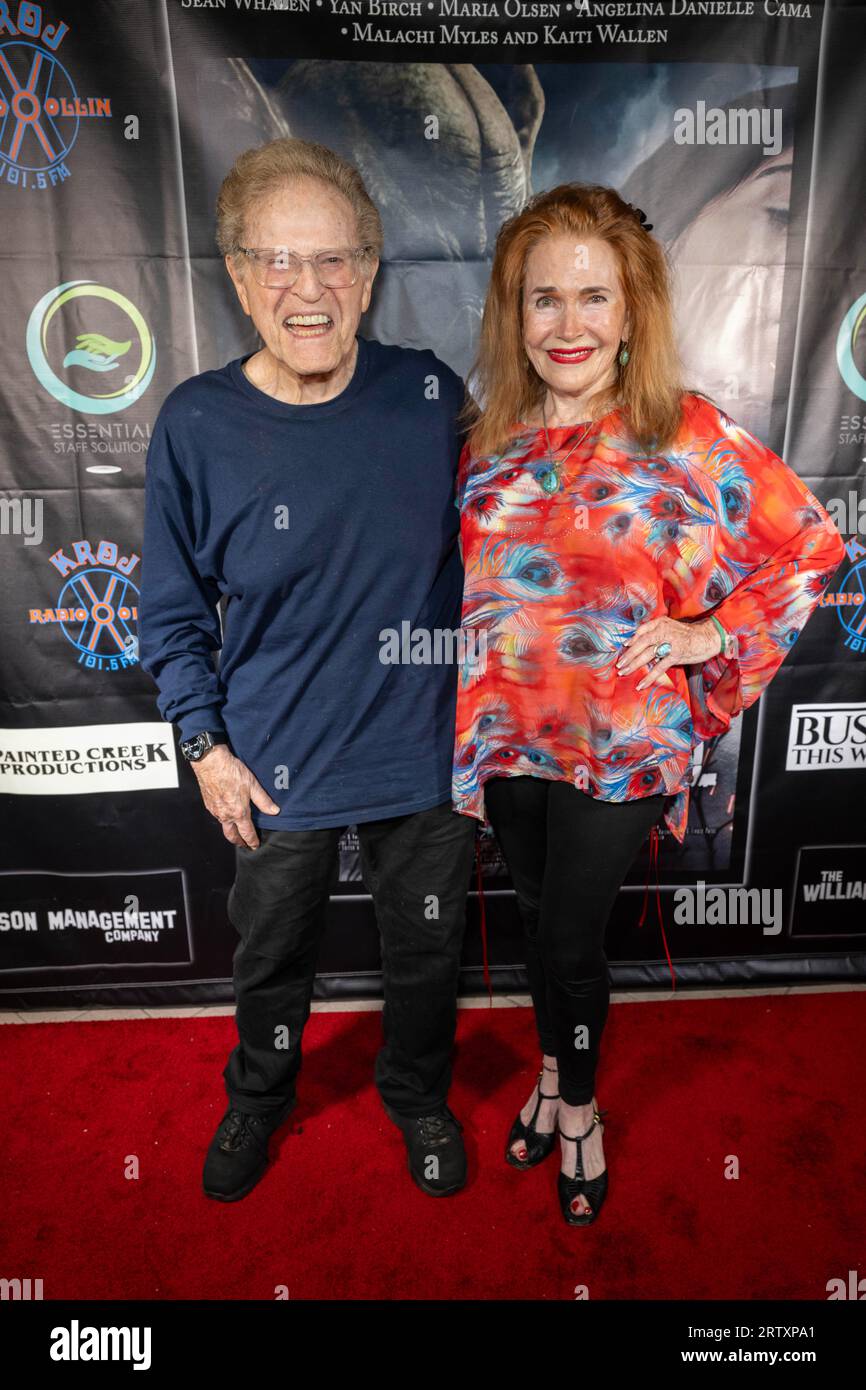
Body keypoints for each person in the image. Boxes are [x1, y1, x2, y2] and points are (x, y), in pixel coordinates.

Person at [451, 183, 846, 1226]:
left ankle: (574, 1108)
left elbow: (812, 543)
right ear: (514, 312)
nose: (567, 324)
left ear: (631, 312)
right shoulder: (484, 436)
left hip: (619, 742)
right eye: (544, 300)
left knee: (571, 939)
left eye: (593, 297)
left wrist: (706, 634)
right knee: (537, 924)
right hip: (509, 735)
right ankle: (548, 1068)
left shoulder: (682, 432)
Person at [138, 137, 476, 1203]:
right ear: (238, 277)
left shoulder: (430, 398)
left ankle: (417, 1093)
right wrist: (207, 748)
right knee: (270, 958)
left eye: (332, 261)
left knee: (425, 958)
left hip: (420, 757)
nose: (307, 289)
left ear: (369, 274)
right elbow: (170, 612)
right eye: (277, 262)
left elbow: (522, 546)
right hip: (271, 760)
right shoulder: (195, 423)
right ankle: (261, 1095)